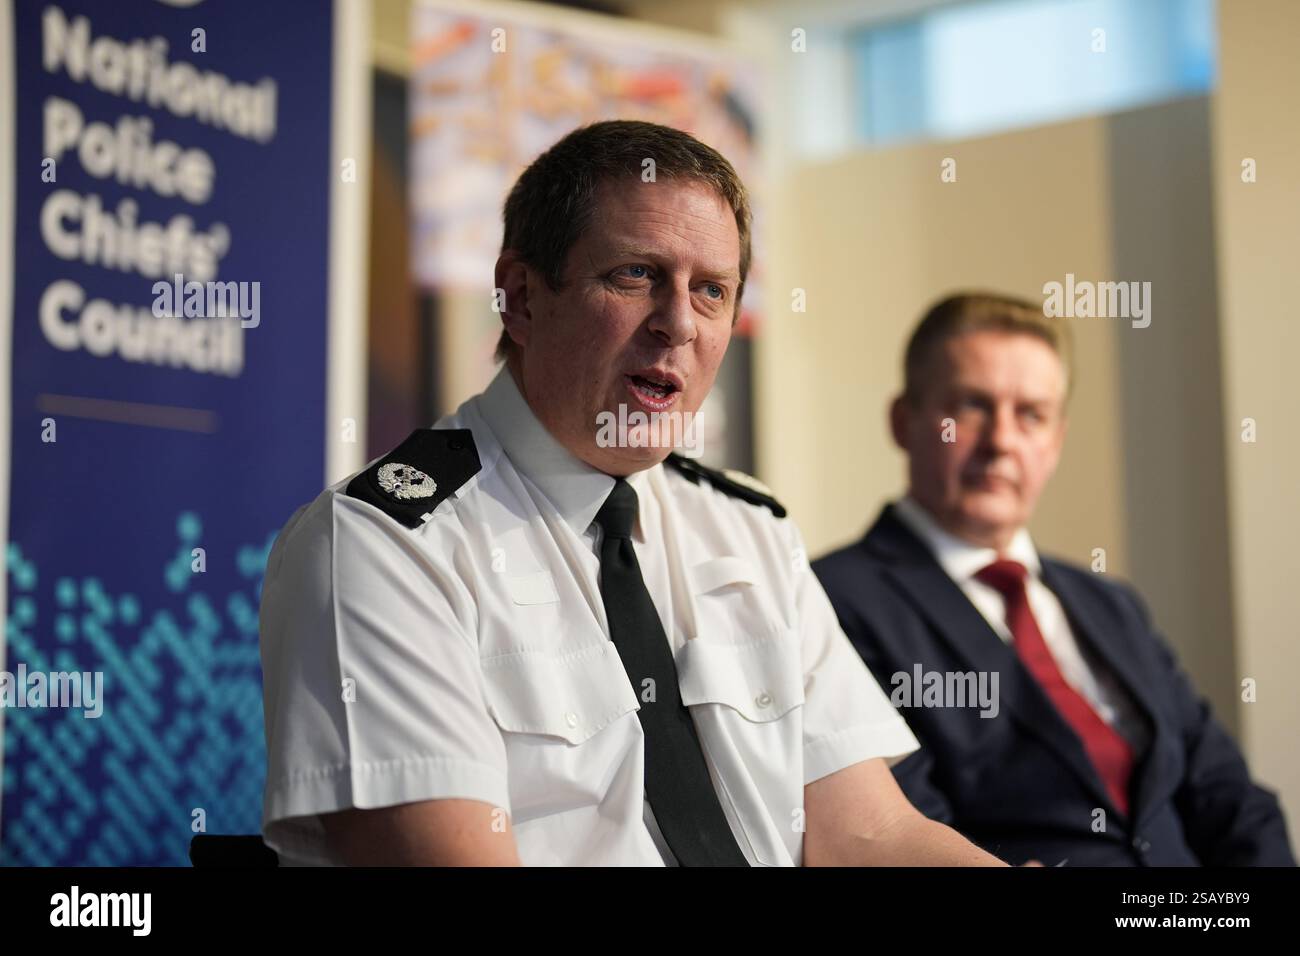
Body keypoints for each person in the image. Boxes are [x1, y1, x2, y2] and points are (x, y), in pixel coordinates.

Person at [257, 121, 1006, 866]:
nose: (679, 323)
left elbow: (869, 834)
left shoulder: (751, 527)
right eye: (636, 275)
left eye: (712, 290)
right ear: (520, 297)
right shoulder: (381, 544)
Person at [813, 292, 1295, 866]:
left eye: (1031, 415)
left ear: (1057, 440)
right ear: (904, 420)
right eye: (971, 407)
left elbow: (1229, 797)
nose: (1002, 443)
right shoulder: (831, 601)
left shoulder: (1113, 605)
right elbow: (900, 829)